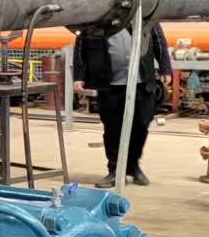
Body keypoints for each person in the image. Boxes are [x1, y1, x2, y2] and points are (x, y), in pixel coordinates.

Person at [73, 22, 171, 187]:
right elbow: (81, 43)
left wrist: (165, 68)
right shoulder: (99, 17)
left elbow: (158, 39)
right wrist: (78, 75)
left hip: (141, 82)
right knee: (112, 128)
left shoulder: (144, 14)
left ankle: (133, 167)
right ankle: (115, 171)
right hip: (110, 84)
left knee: (141, 124)